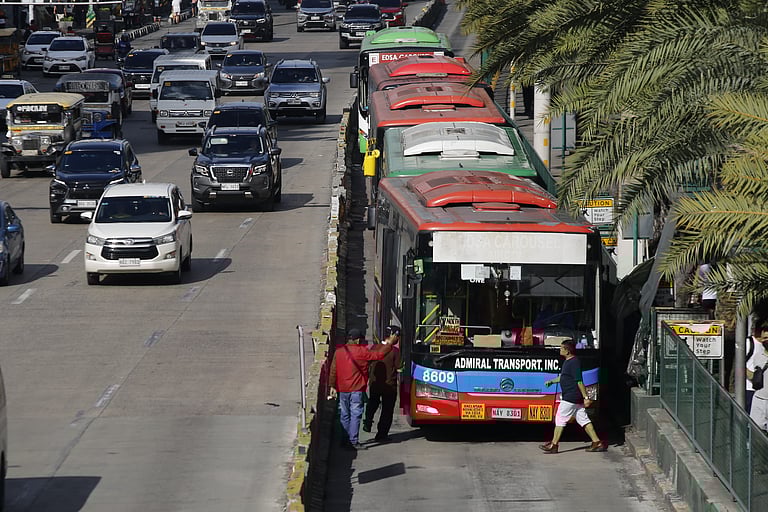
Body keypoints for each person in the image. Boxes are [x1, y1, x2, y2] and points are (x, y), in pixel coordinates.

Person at [539, 339, 607, 454]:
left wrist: (586, 397)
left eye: (562, 348)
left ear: (567, 351)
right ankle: (597, 442)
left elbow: (579, 381)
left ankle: (554, 445)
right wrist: (552, 381)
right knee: (584, 420)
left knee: (560, 418)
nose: (560, 350)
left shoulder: (575, 362)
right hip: (573, 397)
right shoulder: (567, 361)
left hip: (571, 396)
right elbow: (564, 377)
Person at [329, 328, 393, 450]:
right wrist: (389, 344)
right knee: (355, 414)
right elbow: (379, 355)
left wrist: (332, 385)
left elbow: (333, 371)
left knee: (344, 414)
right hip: (357, 389)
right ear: (358, 339)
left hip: (342, 388)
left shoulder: (339, 352)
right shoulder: (362, 352)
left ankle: (344, 440)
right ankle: (353, 441)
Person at [363, 325, 401, 442]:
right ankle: (381, 435)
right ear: (393, 335)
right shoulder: (394, 351)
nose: (398, 338)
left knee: (372, 403)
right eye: (397, 335)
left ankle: (368, 422)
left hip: (374, 383)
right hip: (389, 386)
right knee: (387, 410)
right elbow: (399, 367)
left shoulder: (374, 347)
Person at [748, 328, 768, 432]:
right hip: (759, 399)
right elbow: (755, 377)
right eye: (764, 338)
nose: (766, 340)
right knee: (756, 429)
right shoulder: (757, 356)